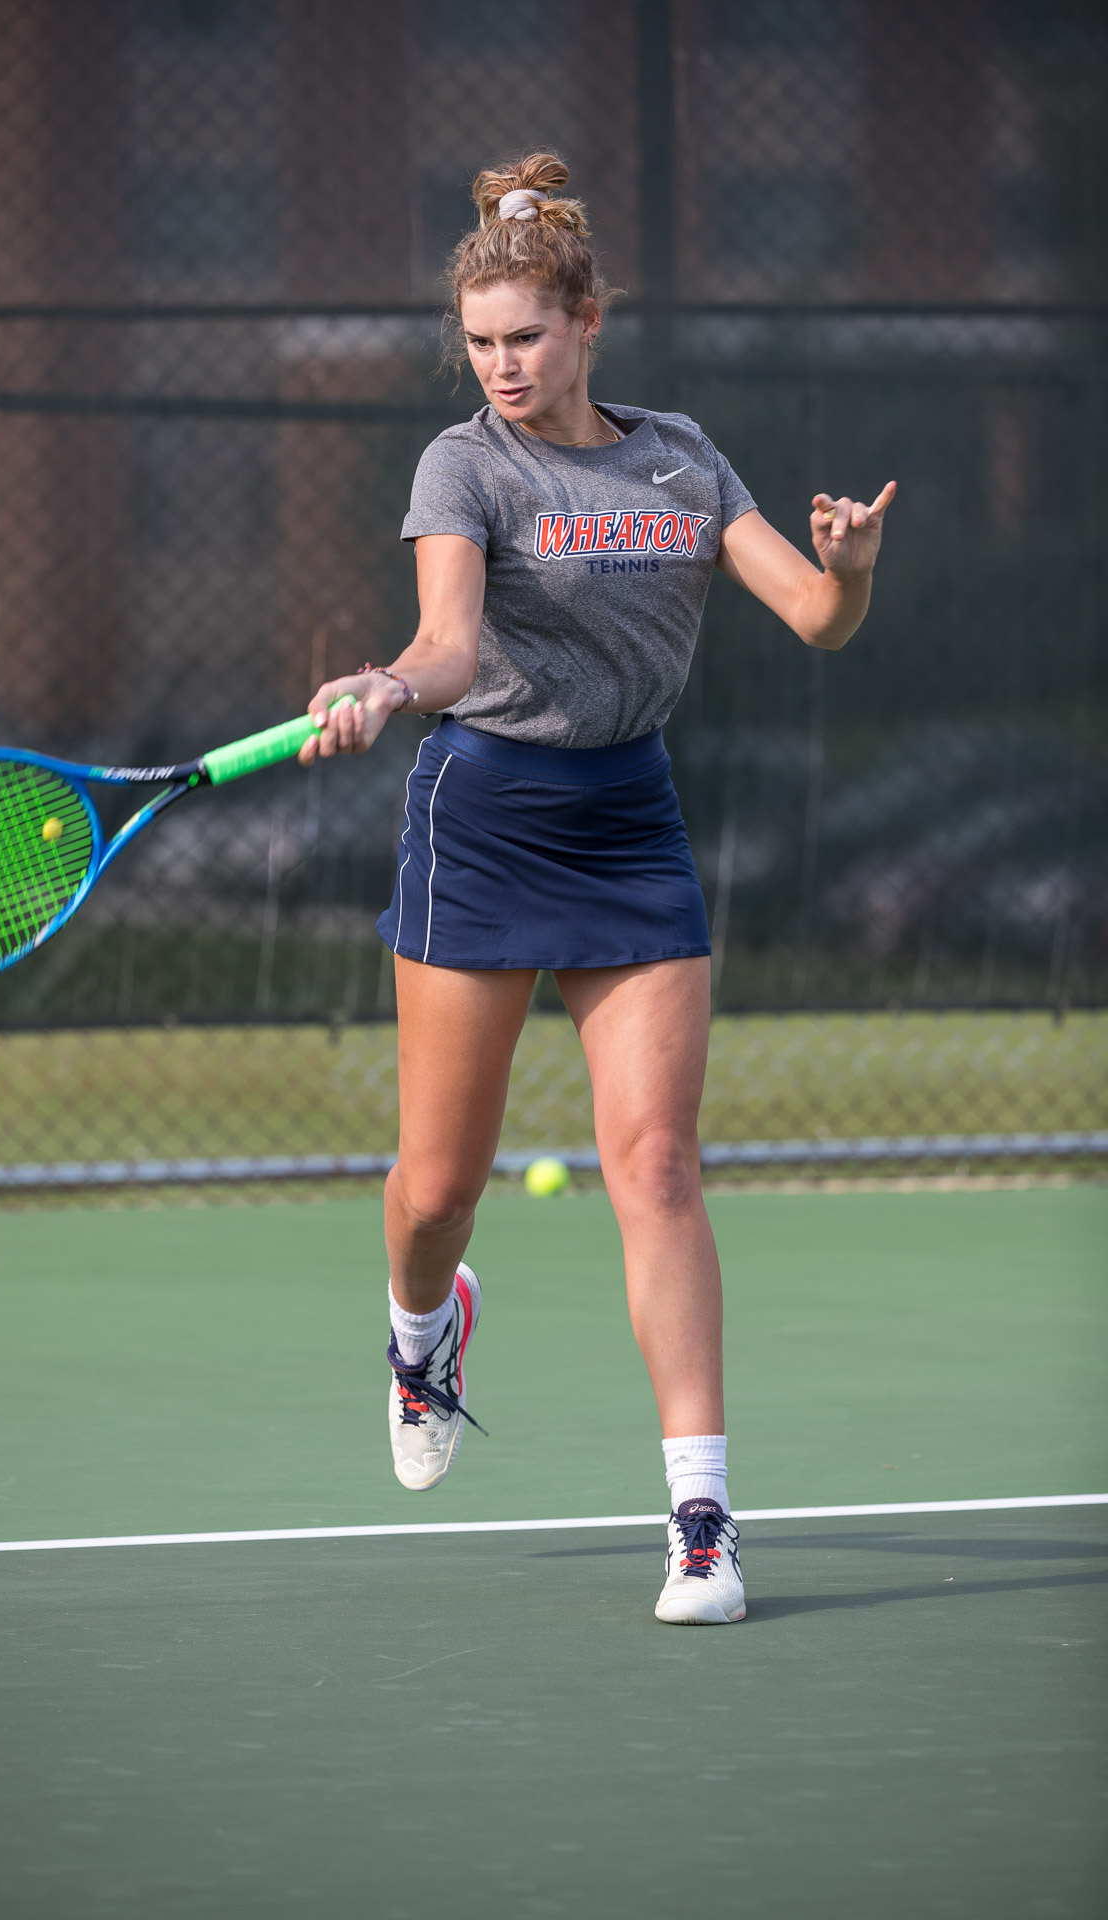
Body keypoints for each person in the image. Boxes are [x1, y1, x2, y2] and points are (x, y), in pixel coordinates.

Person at [299, 153, 896, 1625]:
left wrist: (851, 566)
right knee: (437, 1192)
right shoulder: (464, 466)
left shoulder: (681, 460)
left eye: (527, 339)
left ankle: (703, 1524)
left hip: (632, 824)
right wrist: (386, 681)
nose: (501, 367)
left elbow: (816, 619)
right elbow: (446, 644)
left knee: (661, 1168)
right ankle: (425, 1329)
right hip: (485, 817)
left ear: (585, 324)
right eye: (481, 344)